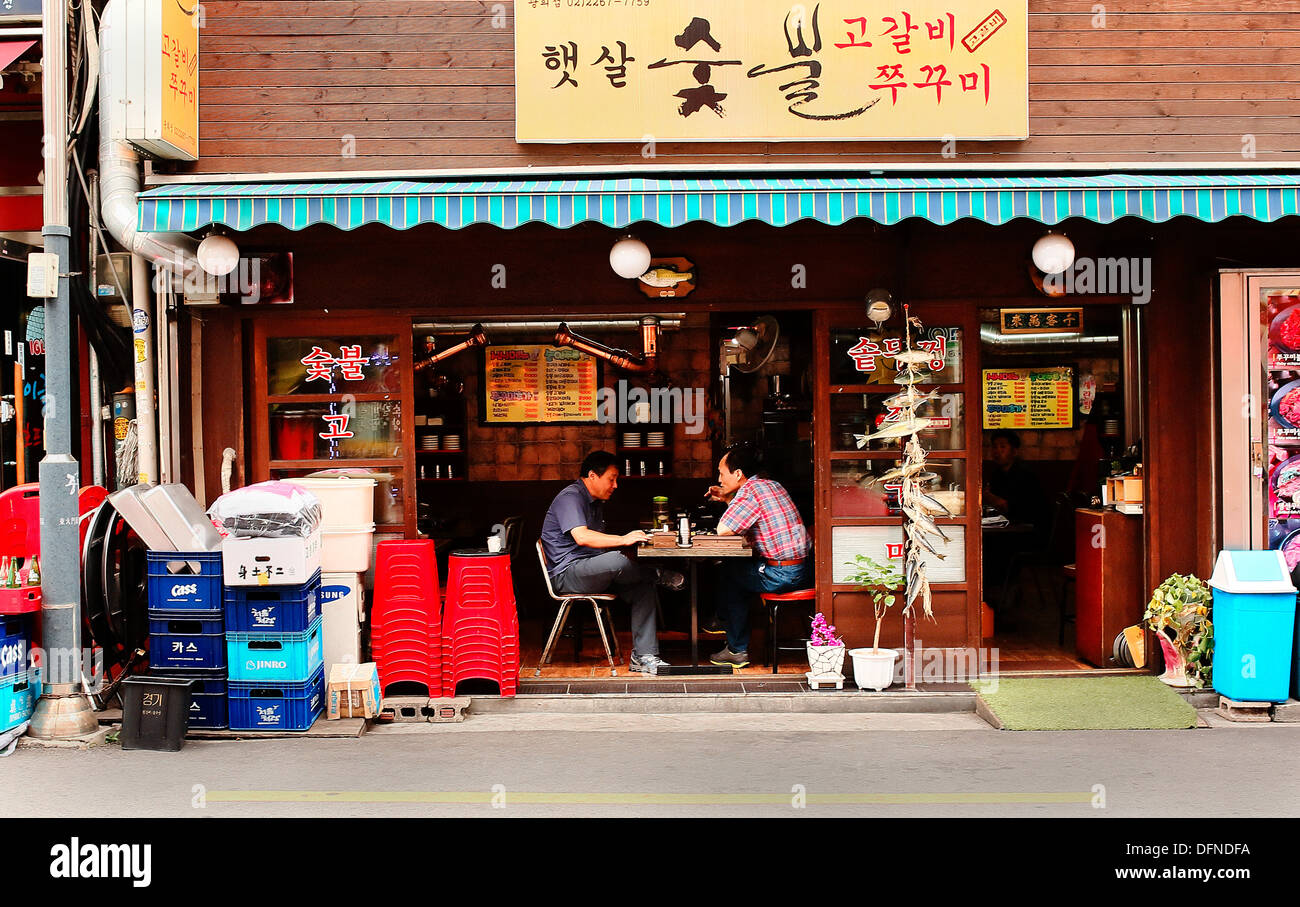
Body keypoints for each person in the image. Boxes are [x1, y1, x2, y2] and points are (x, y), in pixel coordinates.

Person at [540, 450, 684, 675]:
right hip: (568, 574)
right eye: (612, 478)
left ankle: (644, 657)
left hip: (590, 570)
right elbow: (583, 537)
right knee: (618, 559)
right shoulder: (571, 498)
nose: (615, 485)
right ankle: (655, 574)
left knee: (642, 588)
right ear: (592, 476)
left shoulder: (595, 502)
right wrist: (624, 539)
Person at [703, 444, 811, 668]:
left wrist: (728, 497)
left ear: (738, 474)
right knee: (736, 571)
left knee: (730, 571)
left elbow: (723, 529)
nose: (719, 479)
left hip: (782, 574)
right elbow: (751, 515)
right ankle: (724, 625)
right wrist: (727, 498)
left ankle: (733, 642)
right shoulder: (771, 485)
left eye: (722, 473)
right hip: (804, 569)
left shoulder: (750, 490)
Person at [982, 430, 1047, 529]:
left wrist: (988, 496)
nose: (997, 451)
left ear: (1014, 451)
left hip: (1028, 529)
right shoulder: (997, 473)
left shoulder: (1025, 475)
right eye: (994, 447)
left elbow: (1010, 507)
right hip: (1006, 526)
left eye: (1002, 447)